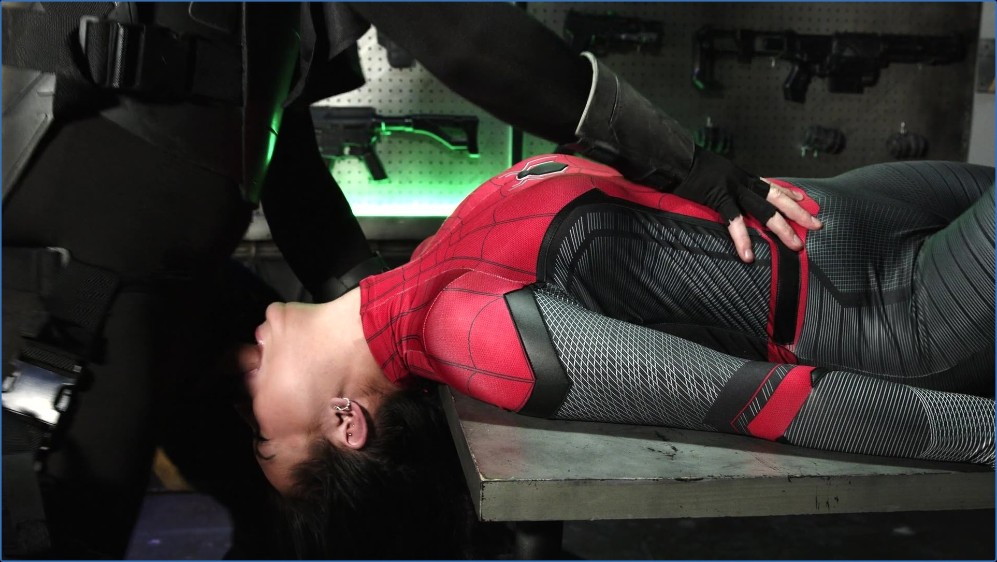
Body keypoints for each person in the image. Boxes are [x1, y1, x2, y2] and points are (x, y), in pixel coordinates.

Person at [1, 3, 819, 558]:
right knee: (60, 519)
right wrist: (686, 164)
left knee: (272, 500)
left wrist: (374, 306)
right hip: (82, 255)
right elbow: (459, 33)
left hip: (139, 263)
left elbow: (270, 140)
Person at [238, 154, 995, 552]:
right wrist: (988, 436)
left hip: (857, 207)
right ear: (345, 422)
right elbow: (768, 402)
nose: (241, 369)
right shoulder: (470, 337)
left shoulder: (434, 262)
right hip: (899, 307)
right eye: (262, 435)